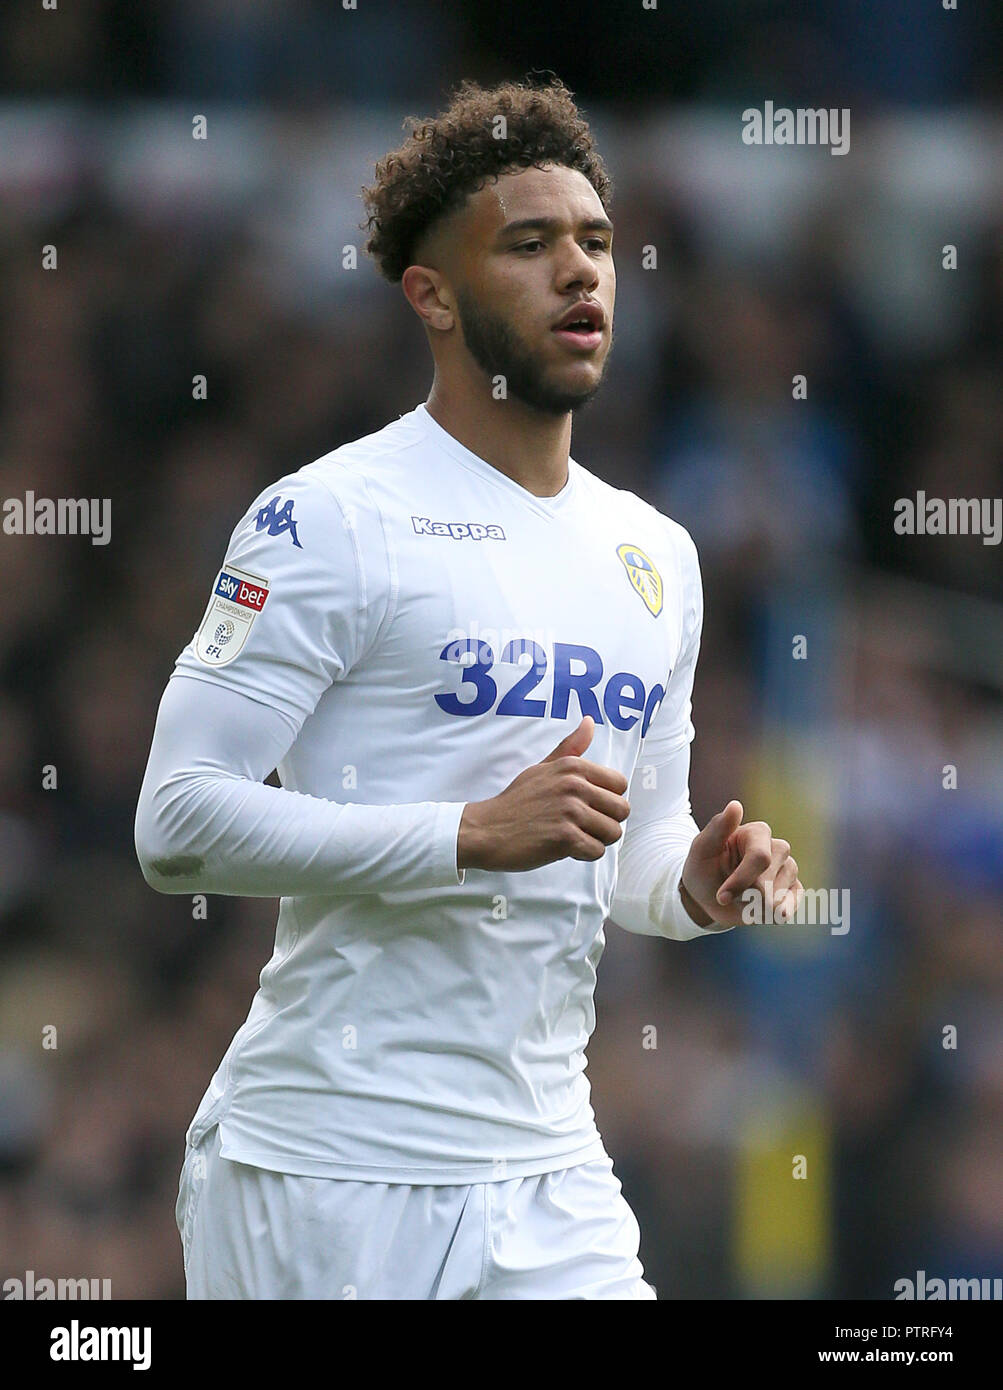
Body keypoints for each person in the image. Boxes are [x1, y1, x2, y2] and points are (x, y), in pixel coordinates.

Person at [135, 76, 802, 1300]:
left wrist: (694, 885)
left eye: (597, 242)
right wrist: (466, 834)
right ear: (430, 295)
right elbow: (175, 822)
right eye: (530, 245)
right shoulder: (330, 517)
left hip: (547, 1171)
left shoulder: (655, 552)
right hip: (324, 1169)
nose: (580, 273)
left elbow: (634, 847)